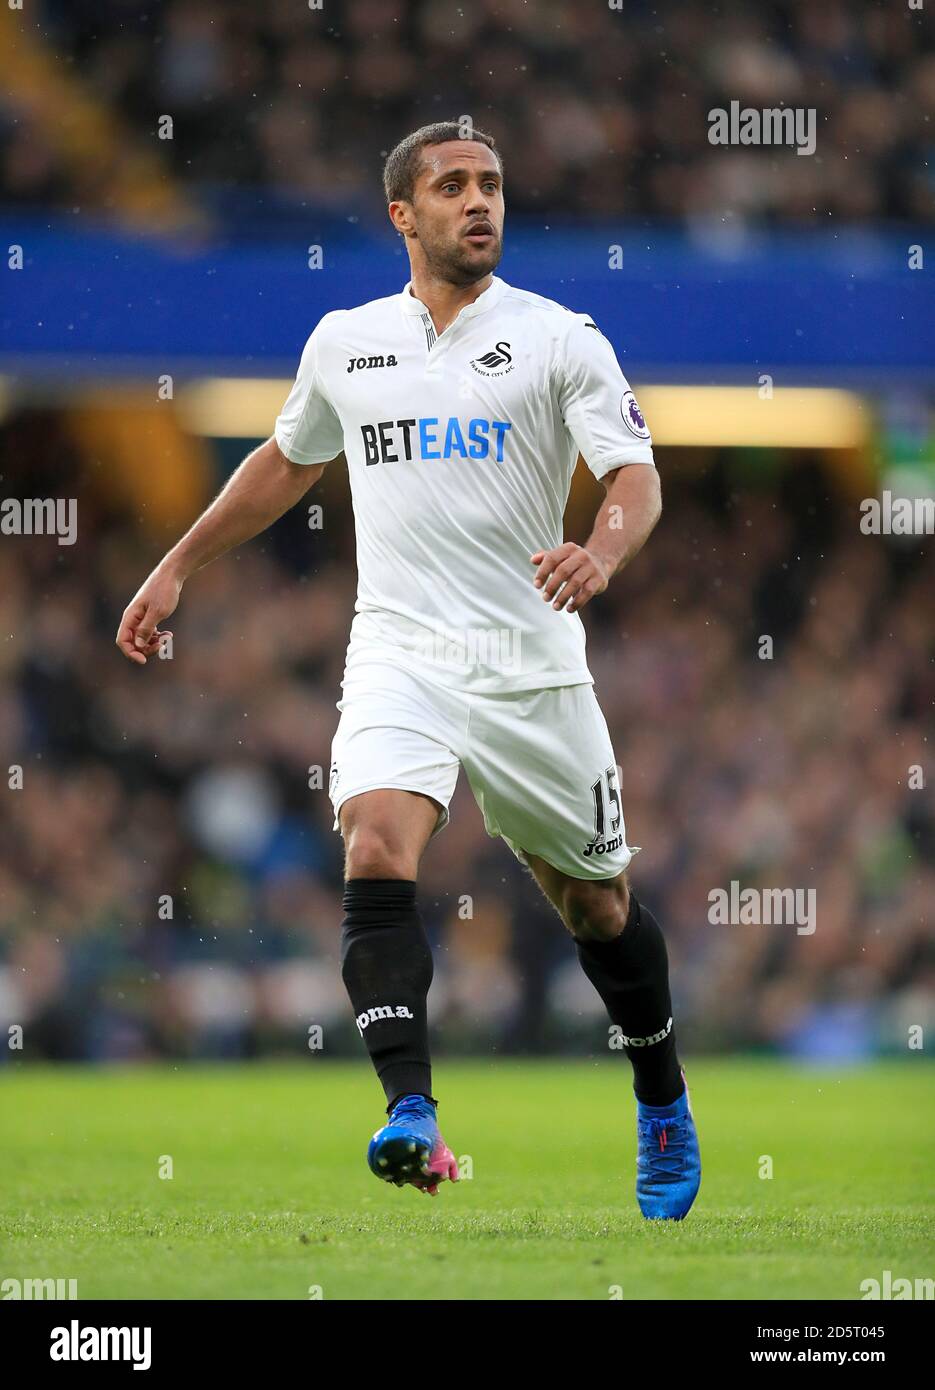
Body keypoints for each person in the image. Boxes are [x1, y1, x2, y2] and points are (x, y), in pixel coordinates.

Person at [116, 121, 701, 1220]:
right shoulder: (345, 340)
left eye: (488, 183)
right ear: (403, 214)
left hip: (527, 659)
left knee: (596, 903)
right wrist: (176, 565)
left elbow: (633, 474)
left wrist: (601, 551)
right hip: (398, 648)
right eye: (451, 186)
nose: (477, 201)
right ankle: (412, 1112)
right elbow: (286, 460)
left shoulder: (558, 337)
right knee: (376, 839)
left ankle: (661, 1096)